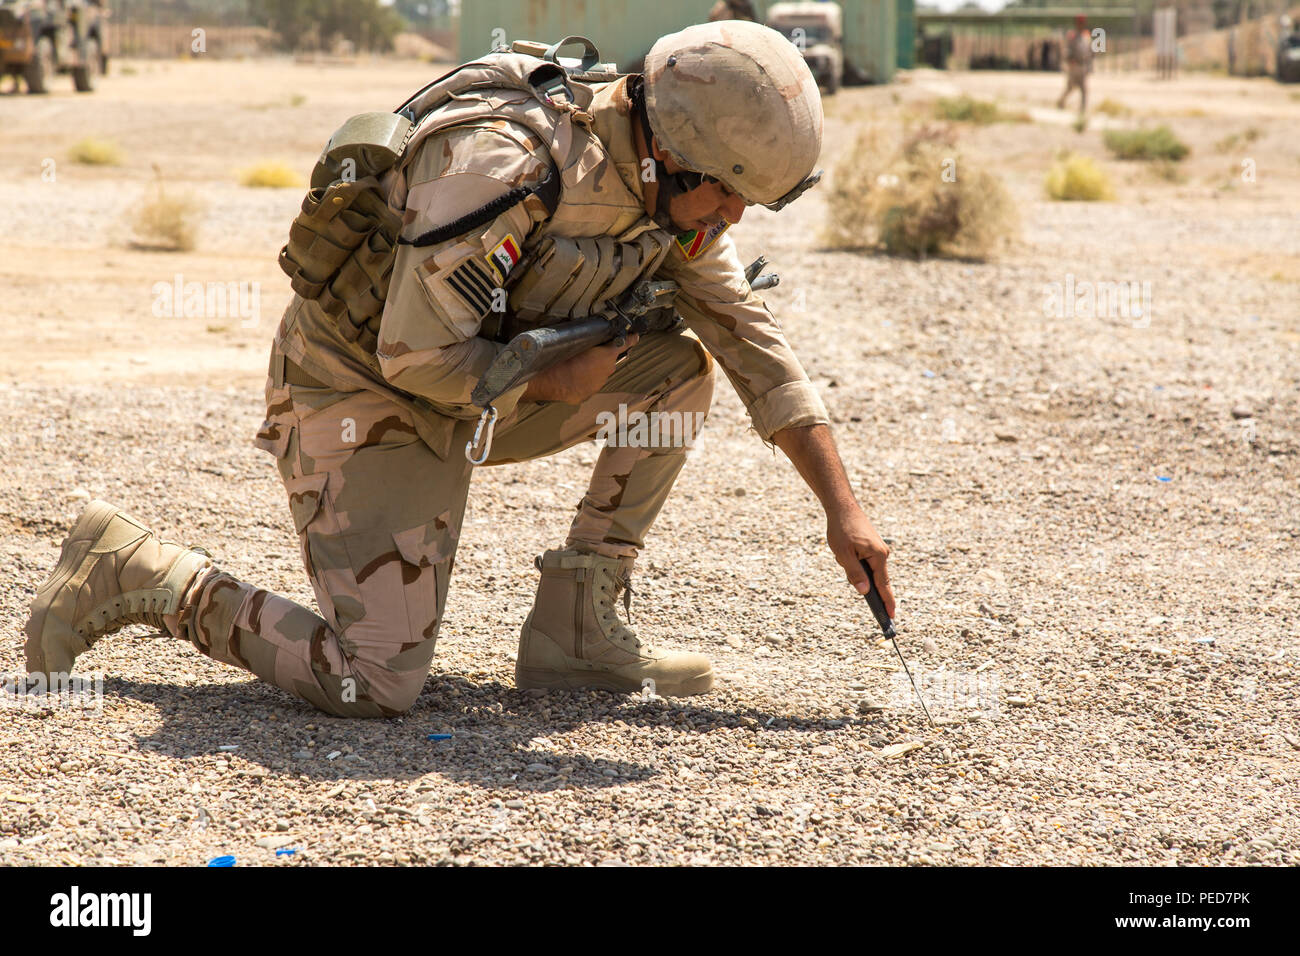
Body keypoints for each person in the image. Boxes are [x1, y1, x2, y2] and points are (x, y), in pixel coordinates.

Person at [25, 21, 895, 717]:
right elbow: (413, 353)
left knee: (679, 370)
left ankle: (575, 633)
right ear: (666, 153)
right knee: (372, 683)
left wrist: (843, 512)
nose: (734, 215)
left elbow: (753, 341)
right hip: (357, 390)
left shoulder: (676, 201)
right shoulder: (502, 166)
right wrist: (552, 382)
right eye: (726, 193)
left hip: (479, 383)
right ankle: (138, 571)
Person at [1057, 14, 1093, 112]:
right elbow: (1067, 50)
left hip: (1083, 66)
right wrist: (1069, 60)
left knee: (1084, 90)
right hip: (1074, 66)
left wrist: (1089, 65)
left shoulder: (1086, 35)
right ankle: (1061, 102)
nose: (1081, 24)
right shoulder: (1072, 35)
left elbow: (1089, 51)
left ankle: (1082, 110)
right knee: (1070, 87)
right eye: (1079, 22)